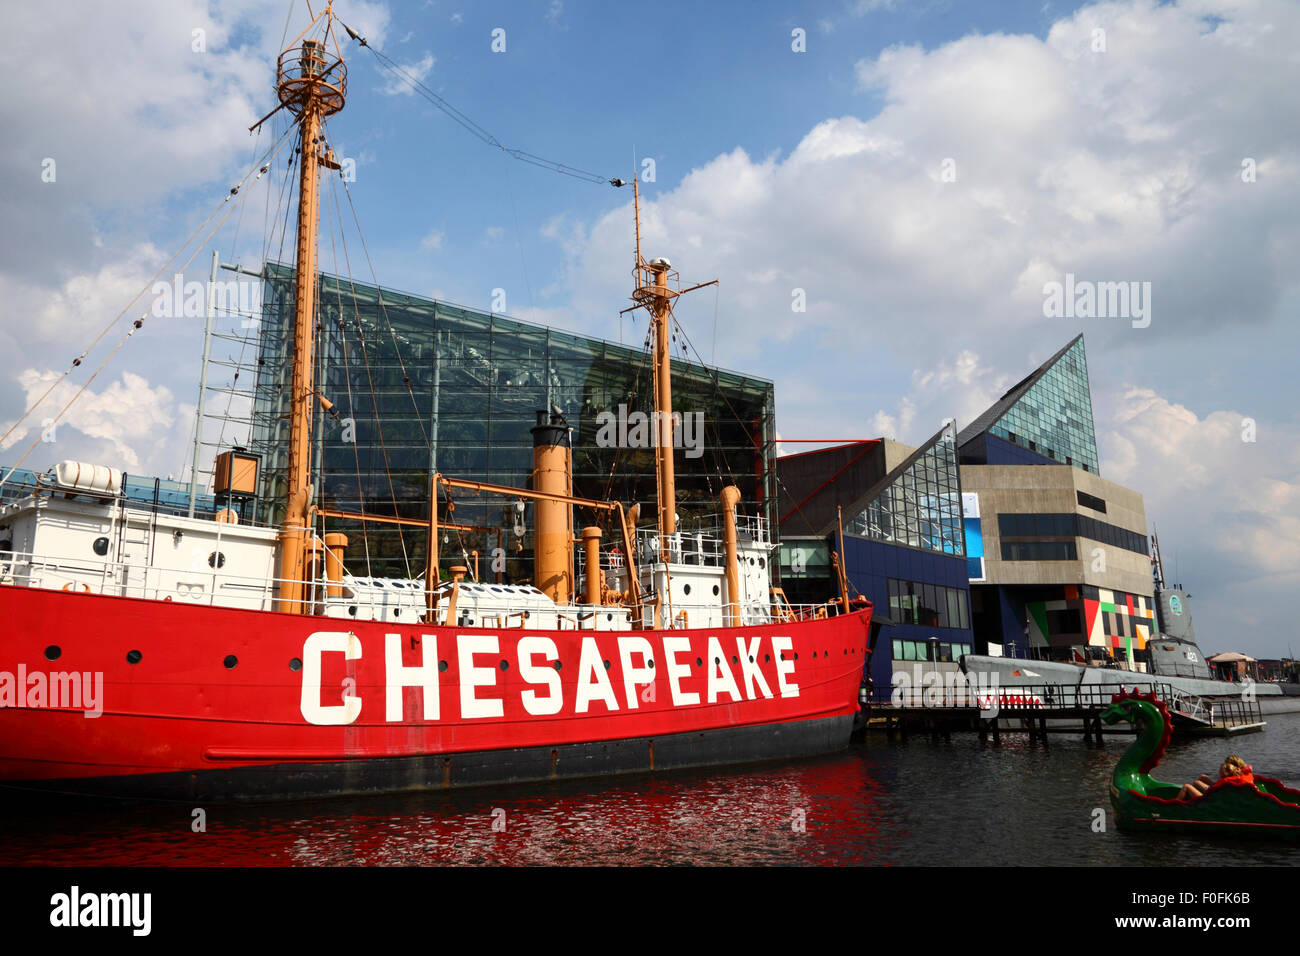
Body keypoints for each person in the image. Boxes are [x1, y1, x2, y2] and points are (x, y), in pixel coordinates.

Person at [1177, 755, 1254, 800]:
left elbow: (1216, 788)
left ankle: (1176, 806)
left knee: (1187, 786)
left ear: (1234, 766)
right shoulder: (1244, 773)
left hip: (1213, 798)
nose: (1225, 764)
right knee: (1202, 777)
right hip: (1222, 791)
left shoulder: (1227, 780)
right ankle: (1190, 797)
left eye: (1227, 763)